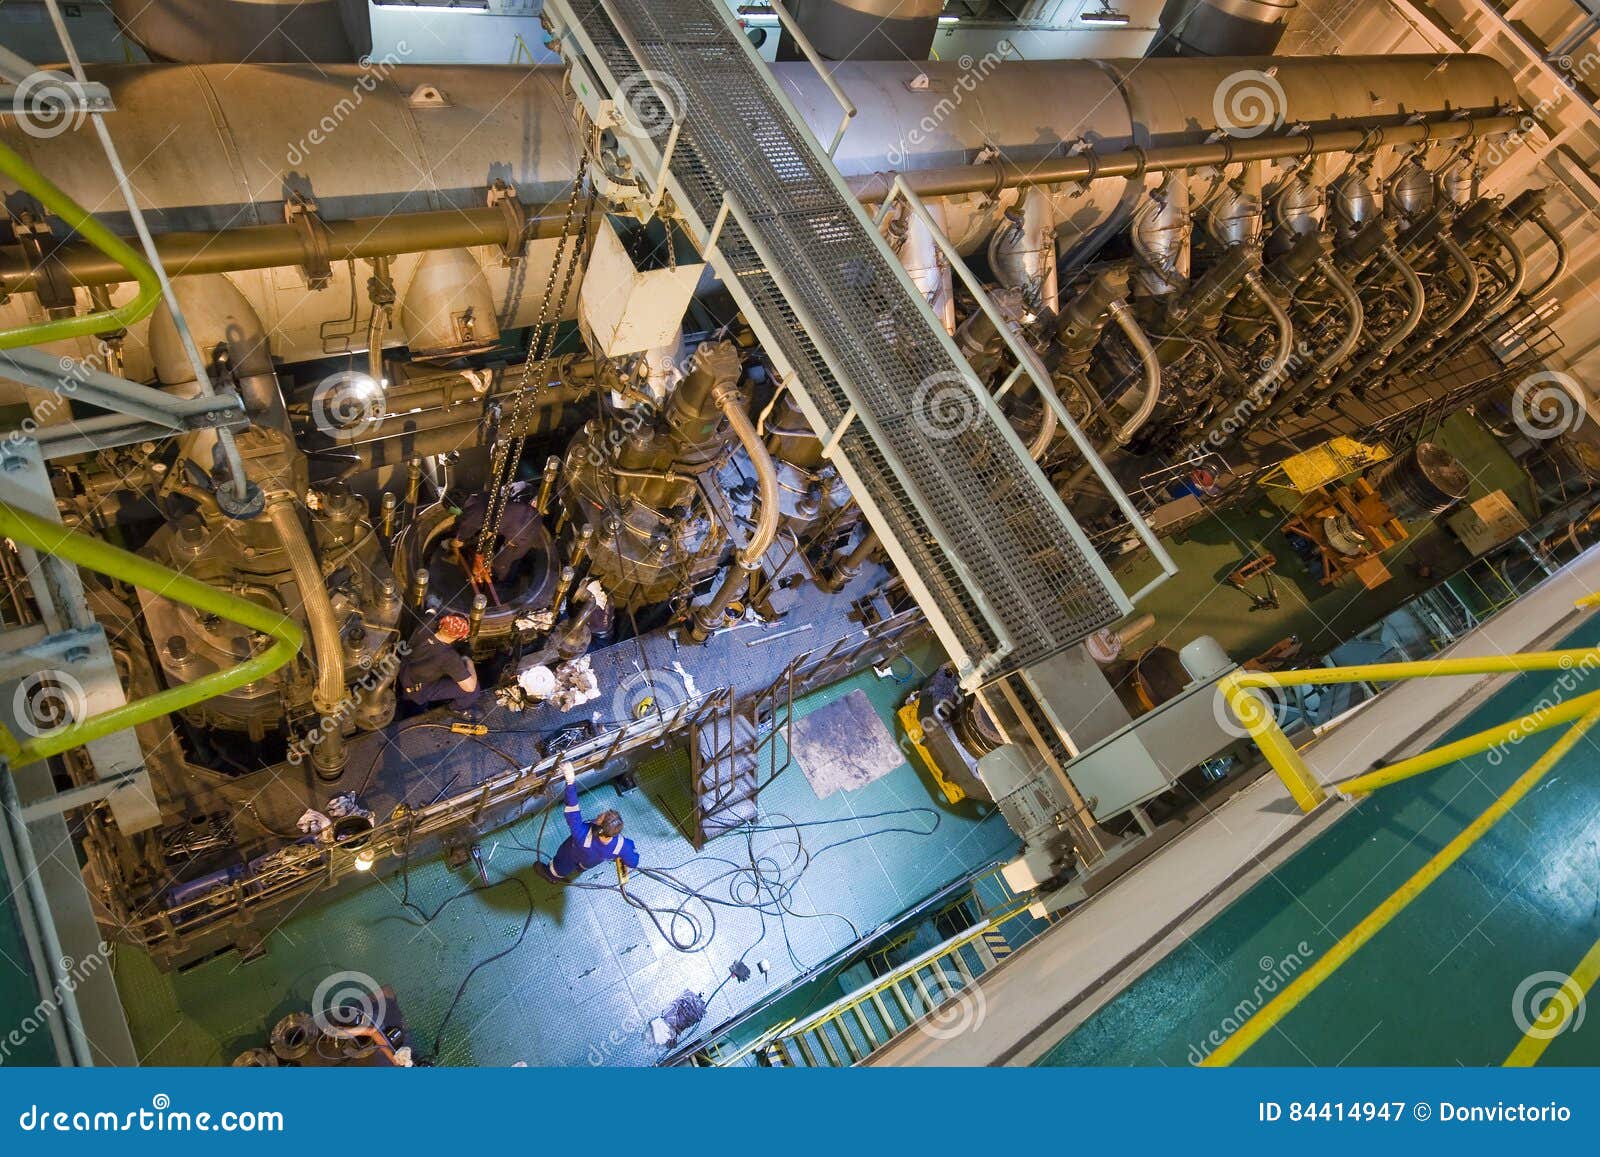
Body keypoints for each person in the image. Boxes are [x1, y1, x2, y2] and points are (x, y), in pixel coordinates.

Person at [537, 763, 639, 884]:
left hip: (571, 854)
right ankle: (579, 869)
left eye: (600, 818)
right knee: (584, 864)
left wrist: (570, 781)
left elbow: (572, 809)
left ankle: (553, 875)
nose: (599, 814)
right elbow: (633, 862)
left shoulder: (582, 835)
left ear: (600, 830)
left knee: (563, 864)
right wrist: (621, 854)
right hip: (589, 862)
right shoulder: (622, 845)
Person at [450, 485, 542, 585]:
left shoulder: (470, 518)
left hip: (524, 533)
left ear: (456, 509)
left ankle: (503, 580)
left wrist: (451, 544)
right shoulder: (482, 495)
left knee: (501, 561)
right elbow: (490, 528)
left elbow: (458, 542)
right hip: (533, 514)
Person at [398, 613, 479, 714]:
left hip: (404, 672)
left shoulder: (427, 623)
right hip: (417, 692)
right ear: (461, 637)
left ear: (441, 623)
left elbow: (431, 609)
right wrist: (468, 660)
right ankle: (451, 710)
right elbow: (470, 687)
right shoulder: (450, 658)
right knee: (474, 691)